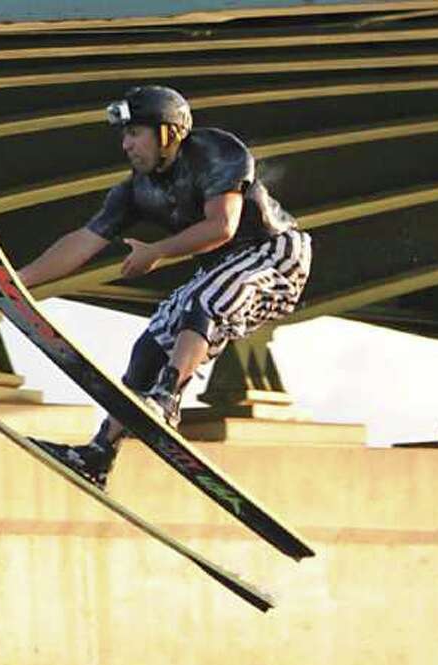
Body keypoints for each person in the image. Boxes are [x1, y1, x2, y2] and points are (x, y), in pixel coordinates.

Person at [19, 84, 312, 487]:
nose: (126, 145)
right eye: (125, 135)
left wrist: (155, 251)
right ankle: (99, 453)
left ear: (168, 132)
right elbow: (85, 241)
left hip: (276, 255)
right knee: (150, 347)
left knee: (204, 301)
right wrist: (19, 281)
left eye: (134, 133)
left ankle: (168, 398)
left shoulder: (217, 152)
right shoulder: (134, 190)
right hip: (223, 268)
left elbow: (222, 227)